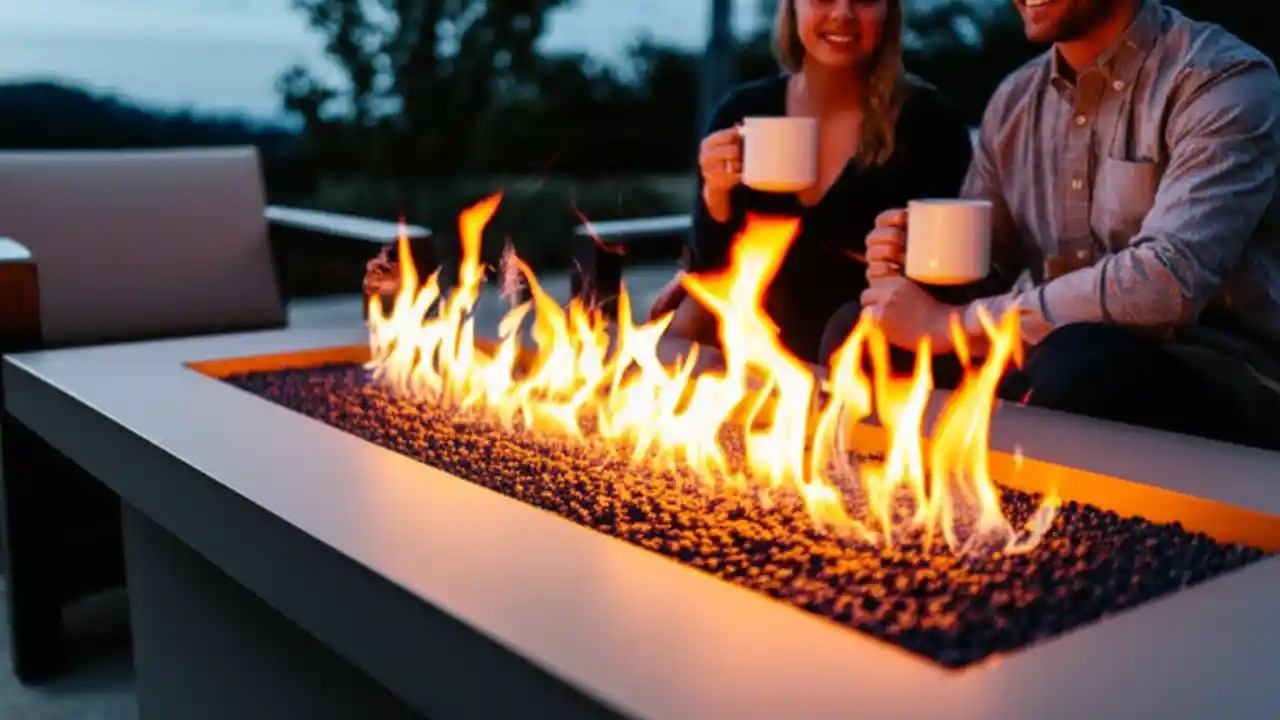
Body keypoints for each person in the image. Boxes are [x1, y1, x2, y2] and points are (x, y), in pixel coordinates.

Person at [824, 0, 1280, 450]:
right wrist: (915, 264)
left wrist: (952, 324)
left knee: (1080, 366)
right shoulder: (1015, 101)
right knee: (861, 333)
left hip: (1218, 371)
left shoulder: (1221, 80)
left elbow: (1164, 286)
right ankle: (903, 512)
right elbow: (985, 269)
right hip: (1053, 356)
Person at [645, 0, 975, 364]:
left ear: (888, 12)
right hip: (756, 339)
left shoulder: (930, 124)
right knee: (684, 315)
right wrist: (716, 195)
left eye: (864, 0)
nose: (843, 14)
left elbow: (949, 275)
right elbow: (710, 269)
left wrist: (897, 250)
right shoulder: (744, 110)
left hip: (866, 349)